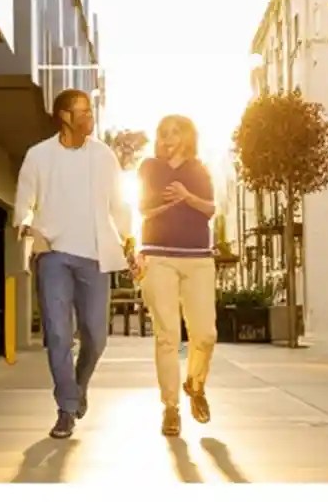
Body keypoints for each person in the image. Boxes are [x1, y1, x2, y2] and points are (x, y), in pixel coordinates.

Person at [14, 88, 133, 440]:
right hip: (54, 255)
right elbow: (23, 205)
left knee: (96, 337)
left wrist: (128, 241)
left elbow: (119, 204)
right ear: (64, 116)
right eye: (82, 112)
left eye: (90, 111)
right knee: (58, 333)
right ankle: (66, 408)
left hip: (96, 256)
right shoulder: (38, 156)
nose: (89, 118)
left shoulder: (104, 156)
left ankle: (78, 388)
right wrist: (28, 228)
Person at [133, 114, 217, 436]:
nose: (167, 139)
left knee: (205, 333)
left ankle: (195, 384)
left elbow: (210, 209)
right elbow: (144, 208)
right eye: (162, 133)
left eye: (174, 133)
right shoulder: (149, 168)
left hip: (198, 259)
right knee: (167, 335)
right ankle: (171, 408)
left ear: (187, 137)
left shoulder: (199, 169)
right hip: (158, 256)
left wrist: (186, 197)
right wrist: (170, 206)